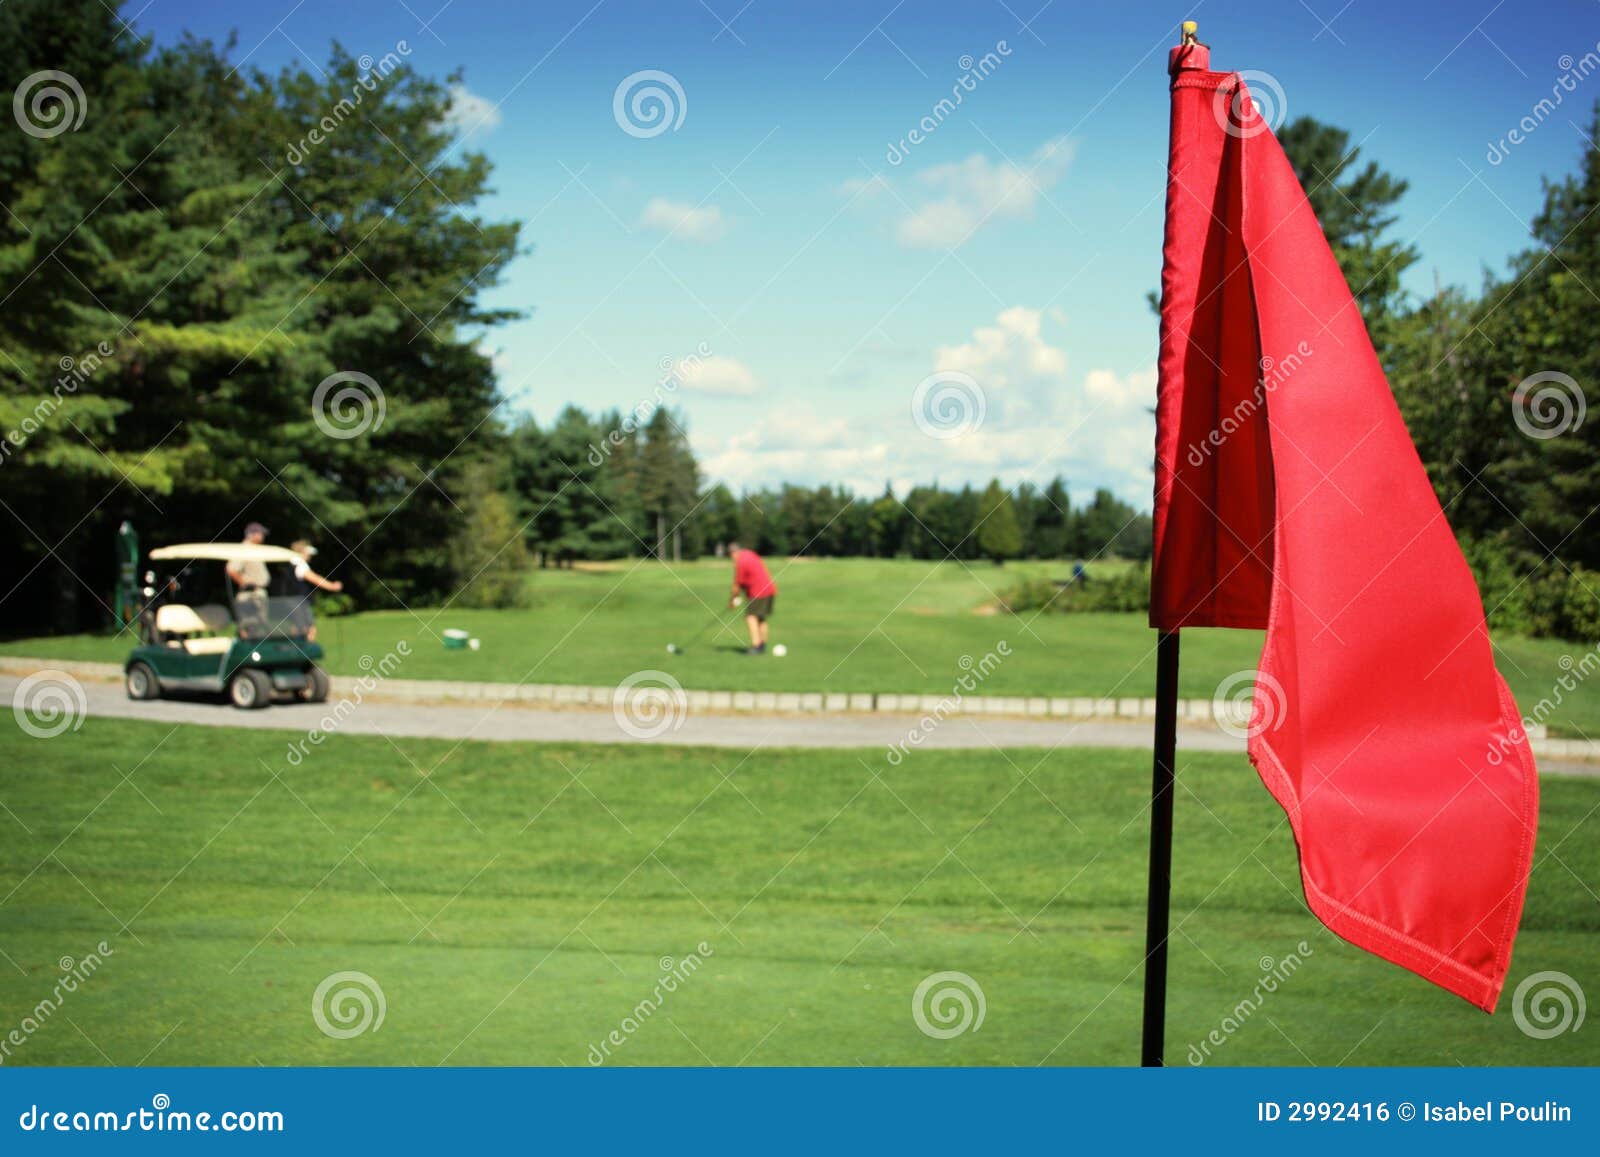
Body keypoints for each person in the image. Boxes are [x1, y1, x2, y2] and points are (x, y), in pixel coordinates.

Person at [727, 541, 777, 655]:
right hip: (769, 589)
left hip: (758, 592)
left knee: (750, 617)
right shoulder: (750, 554)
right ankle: (762, 644)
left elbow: (736, 586)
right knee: (761, 618)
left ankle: (756, 646)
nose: (731, 556)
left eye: (731, 554)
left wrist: (732, 601)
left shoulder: (741, 562)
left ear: (734, 552)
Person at [289, 540, 343, 641]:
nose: (309, 556)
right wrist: (332, 586)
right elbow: (316, 579)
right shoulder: (300, 564)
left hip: (292, 602)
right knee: (310, 629)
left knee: (297, 628)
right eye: (307, 553)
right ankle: (306, 653)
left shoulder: (290, 563)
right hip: (300, 602)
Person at [225, 521, 271, 637]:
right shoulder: (244, 549)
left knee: (260, 625)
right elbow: (231, 569)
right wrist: (245, 584)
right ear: (253, 534)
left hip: (258, 593)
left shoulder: (255, 549)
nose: (263, 537)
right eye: (261, 534)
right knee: (249, 625)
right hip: (251, 594)